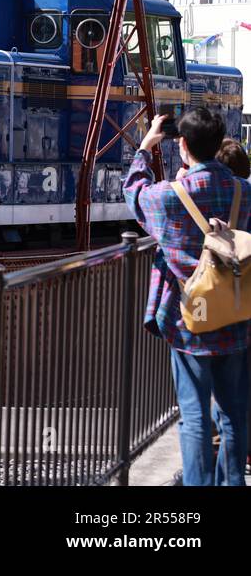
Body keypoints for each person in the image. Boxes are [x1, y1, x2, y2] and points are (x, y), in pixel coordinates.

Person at [125, 109, 251, 486]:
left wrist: (146, 147)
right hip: (237, 311)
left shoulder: (167, 197)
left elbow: (133, 193)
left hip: (190, 317)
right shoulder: (244, 192)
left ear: (182, 145)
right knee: (234, 411)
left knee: (194, 413)